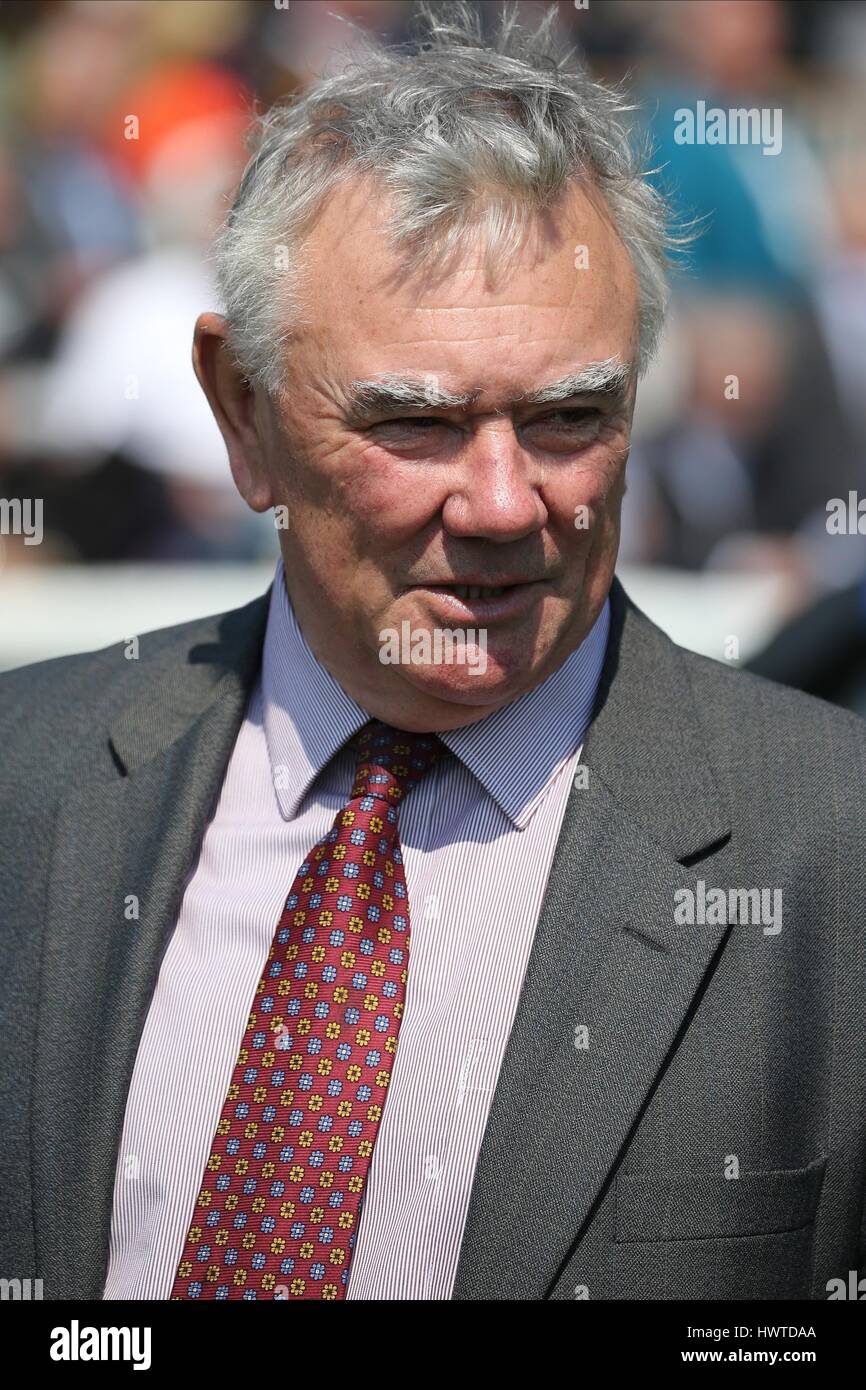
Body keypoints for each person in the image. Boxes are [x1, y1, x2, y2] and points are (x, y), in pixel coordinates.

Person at [1, 1, 864, 1302]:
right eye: (413, 422)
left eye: (571, 414)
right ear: (244, 414)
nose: (505, 502)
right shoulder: (28, 783)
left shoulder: (829, 850)